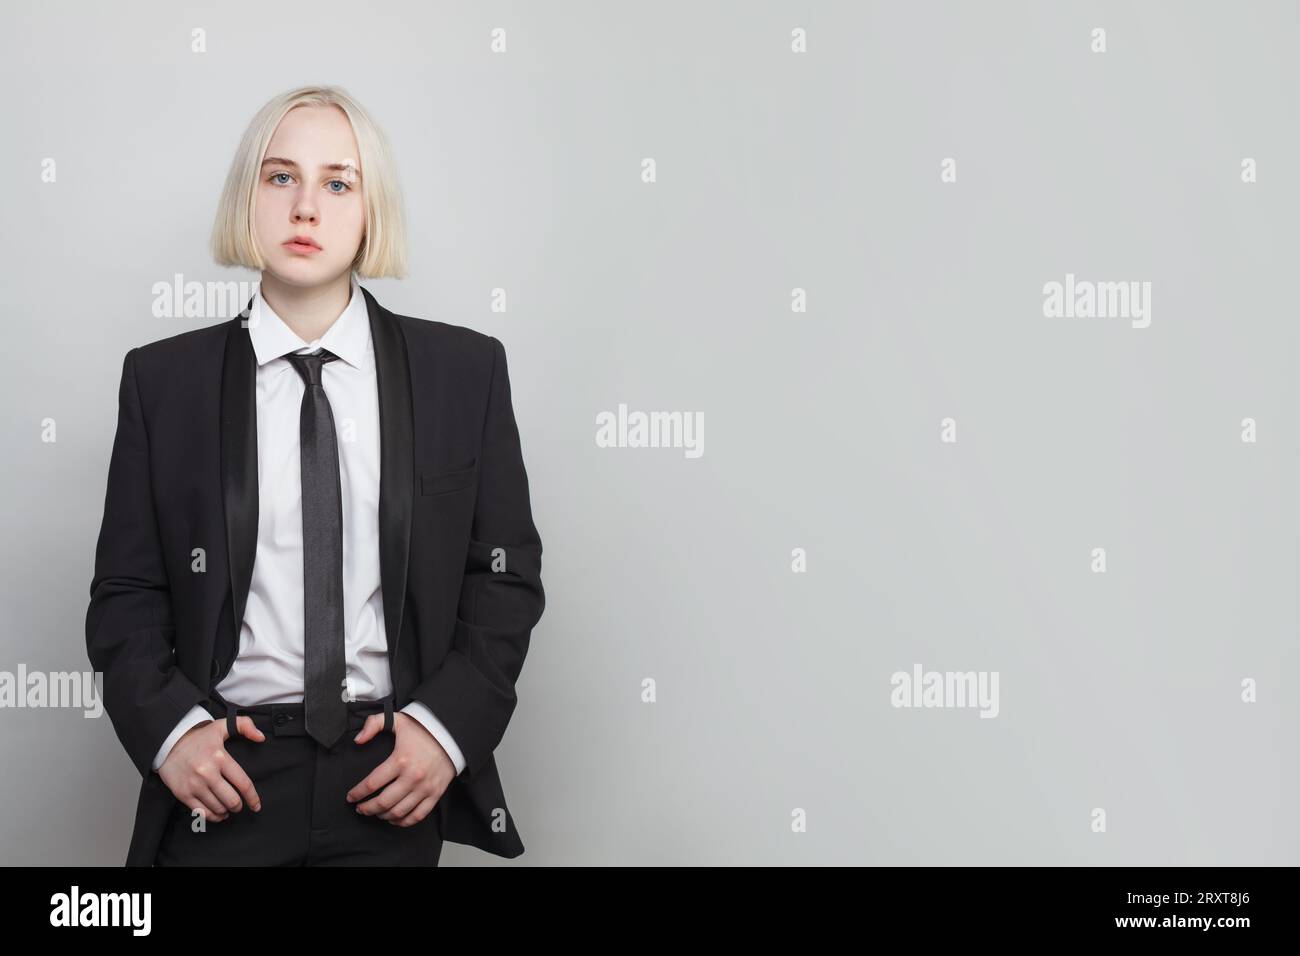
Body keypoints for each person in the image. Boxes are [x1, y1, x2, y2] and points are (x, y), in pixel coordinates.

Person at [85, 85, 545, 866]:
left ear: (372, 210)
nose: (306, 208)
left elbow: (503, 577)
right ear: (248, 198)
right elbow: (127, 592)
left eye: (338, 182)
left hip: (391, 775)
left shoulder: (463, 373)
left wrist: (444, 732)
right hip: (226, 777)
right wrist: (172, 732)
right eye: (280, 177)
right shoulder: (163, 383)